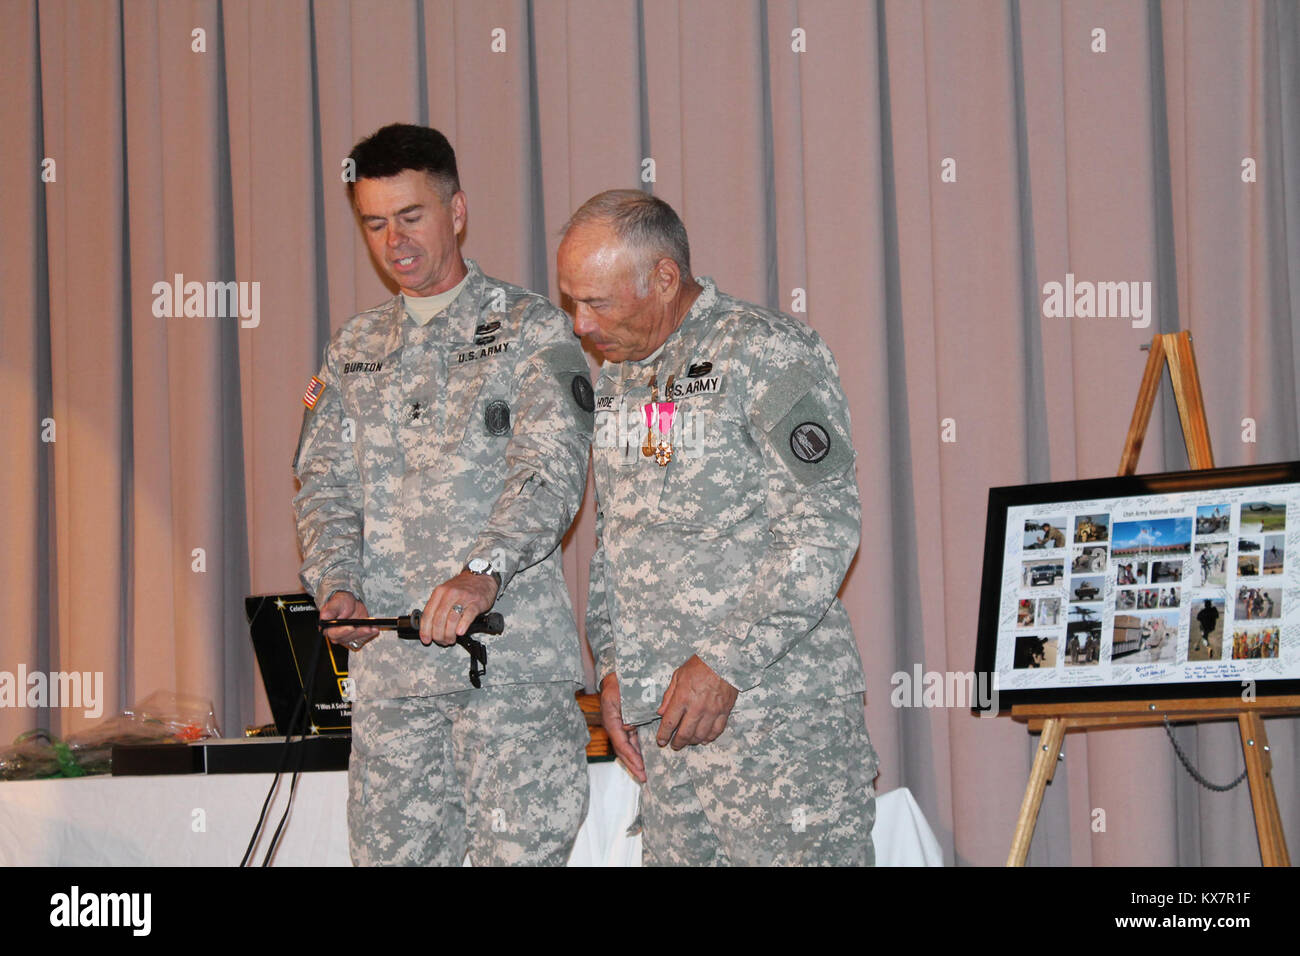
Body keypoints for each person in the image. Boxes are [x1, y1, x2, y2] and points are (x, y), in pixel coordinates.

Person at [293, 124, 594, 866]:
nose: (393, 240)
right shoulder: (353, 349)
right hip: (394, 685)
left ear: (456, 211)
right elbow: (322, 481)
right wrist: (338, 585)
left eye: (411, 215)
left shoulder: (531, 329)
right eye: (374, 222)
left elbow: (551, 469)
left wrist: (481, 570)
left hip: (508, 673)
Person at [558, 189, 878, 866]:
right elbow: (618, 540)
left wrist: (724, 661)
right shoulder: (617, 378)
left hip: (776, 730)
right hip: (671, 745)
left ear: (665, 279)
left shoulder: (767, 353)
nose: (580, 324)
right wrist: (612, 667)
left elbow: (823, 528)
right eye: (571, 301)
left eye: (597, 302)